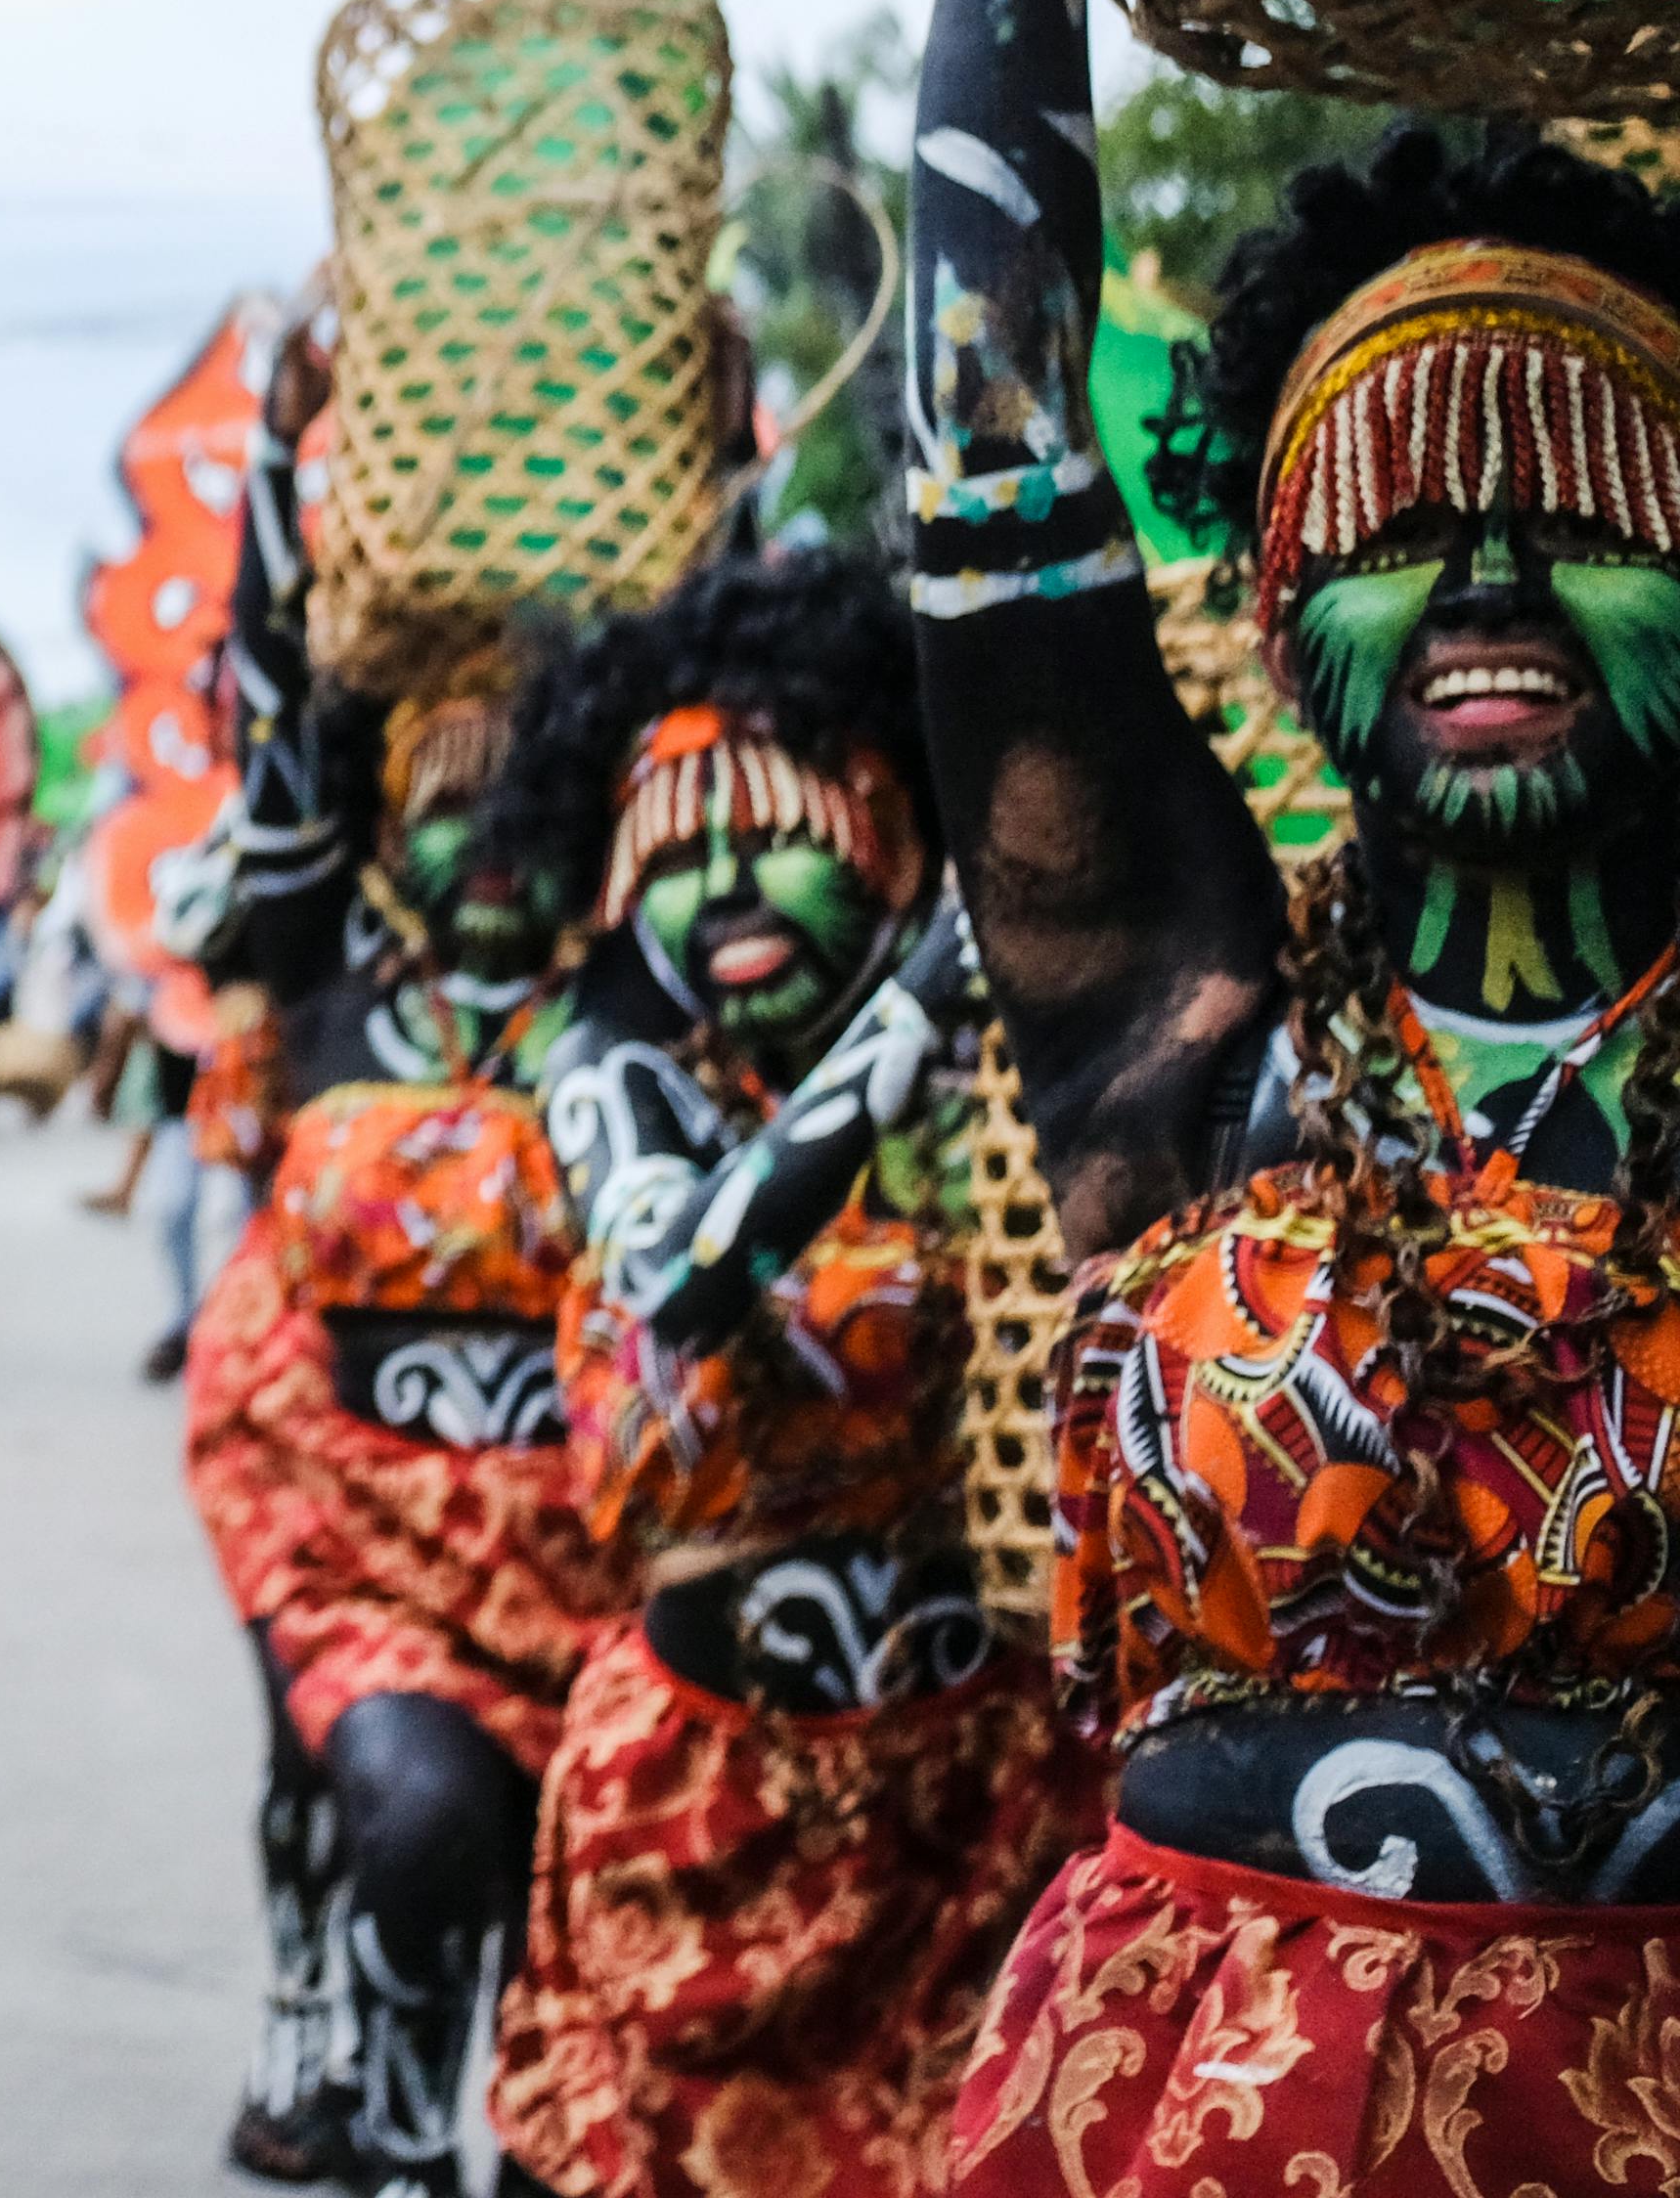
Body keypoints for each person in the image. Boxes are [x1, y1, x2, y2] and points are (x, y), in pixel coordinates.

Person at [901, 0, 1680, 2188]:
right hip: (1196, 2108)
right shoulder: (1177, 1009)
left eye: (1585, 507)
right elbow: (988, 454)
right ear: (1270, 606)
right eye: (1397, 512)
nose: (1488, 572)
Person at [482, 554, 1101, 2198]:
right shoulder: (612, 1071)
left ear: (892, 829)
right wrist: (922, 992)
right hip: (700, 1813)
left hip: (982, 1814)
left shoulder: (1006, 1081)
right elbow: (686, 1279)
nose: (729, 890)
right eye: (677, 853)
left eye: (776, 832)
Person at [171, 320, 635, 2198]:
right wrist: (285, 474)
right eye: (450, 807)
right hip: (342, 1497)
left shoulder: (641, 1007)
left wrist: (731, 452)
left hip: (587, 1526)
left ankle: (501, 2106)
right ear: (386, 828)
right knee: (389, 1793)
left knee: (561, 1868)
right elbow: (279, 706)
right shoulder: (325, 981)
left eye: (529, 812)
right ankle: (351, 2075)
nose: (493, 848)